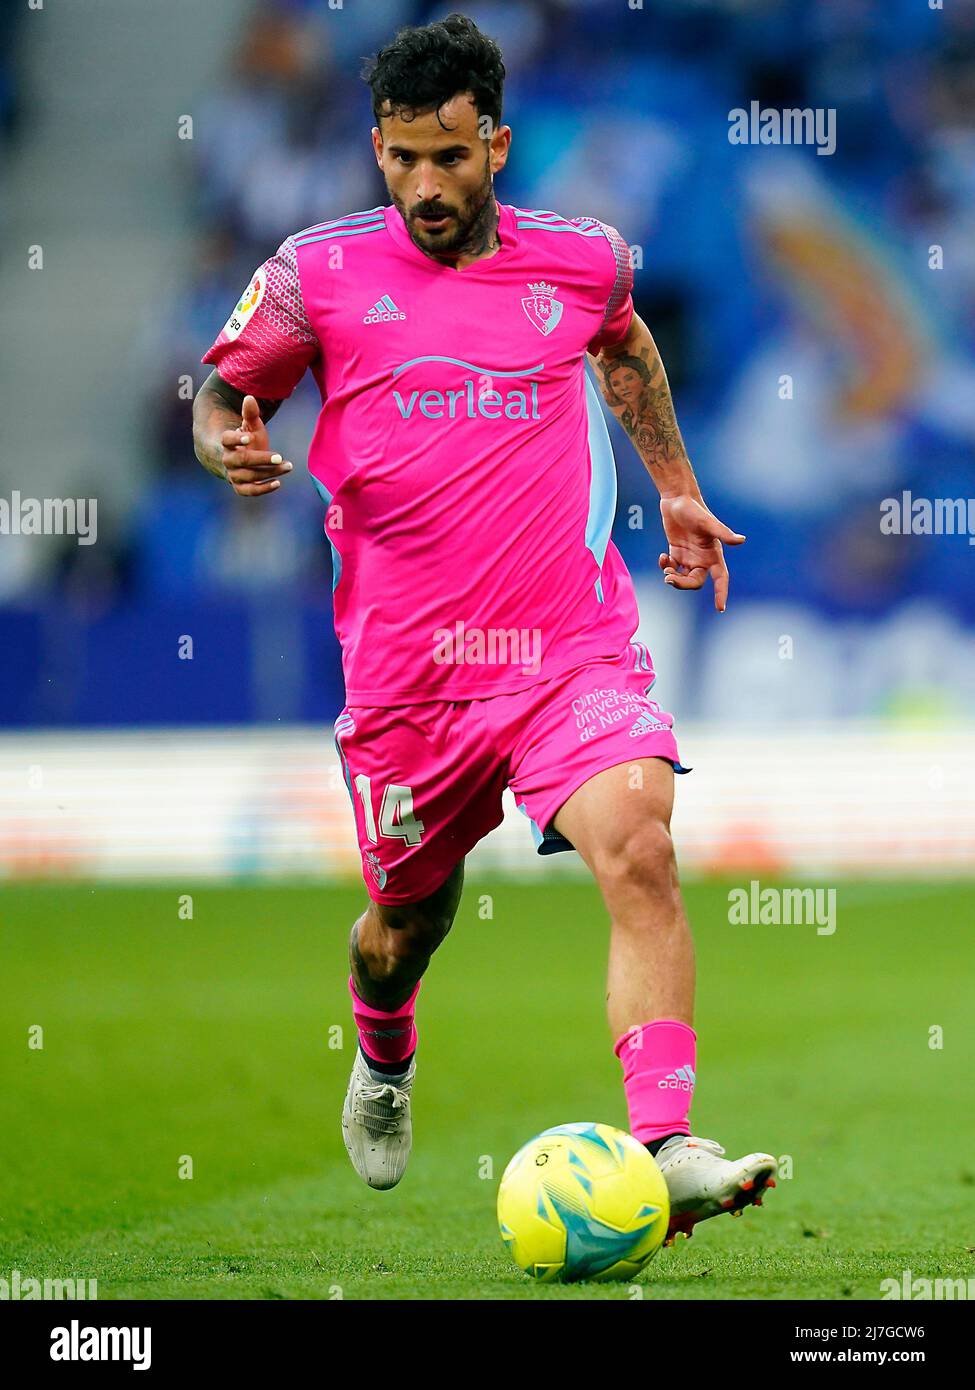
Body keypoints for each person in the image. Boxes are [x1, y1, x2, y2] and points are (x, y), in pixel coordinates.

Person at [192, 13, 776, 1244]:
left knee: (640, 841)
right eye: (400, 158)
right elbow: (227, 388)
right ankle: (385, 1051)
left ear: (498, 145)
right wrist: (226, 436)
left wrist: (672, 480)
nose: (424, 185)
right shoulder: (318, 272)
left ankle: (666, 1142)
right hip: (411, 677)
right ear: (376, 149)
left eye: (449, 157)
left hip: (566, 645)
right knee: (407, 924)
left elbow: (625, 350)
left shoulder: (581, 261)